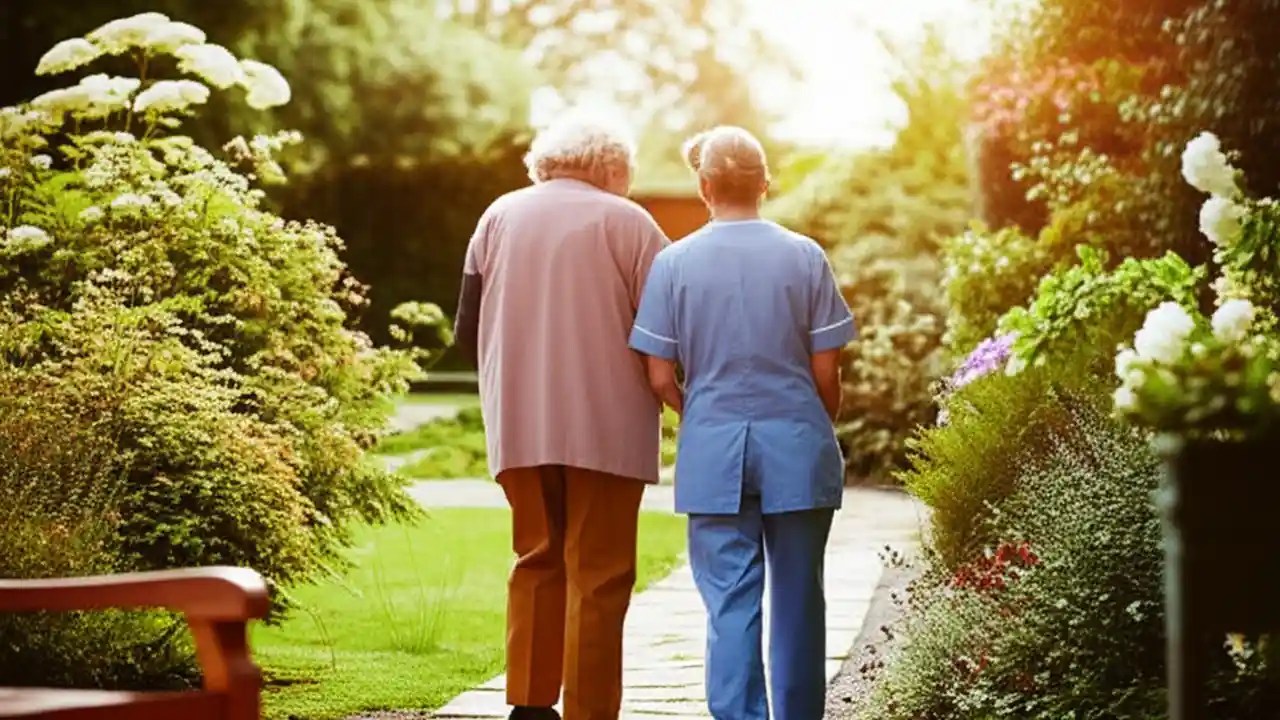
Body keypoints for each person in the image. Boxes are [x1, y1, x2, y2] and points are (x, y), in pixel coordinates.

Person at [628, 126, 854, 720]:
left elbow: (657, 377)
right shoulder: (805, 256)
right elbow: (826, 371)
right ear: (765, 185)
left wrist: (697, 412)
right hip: (798, 444)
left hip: (713, 447)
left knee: (730, 602)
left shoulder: (673, 263)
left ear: (704, 187)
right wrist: (813, 418)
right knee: (801, 597)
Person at [453, 112, 670, 720]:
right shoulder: (631, 223)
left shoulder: (497, 216)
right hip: (607, 426)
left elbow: (467, 329)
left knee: (535, 557)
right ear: (611, 167)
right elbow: (668, 329)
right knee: (599, 574)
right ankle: (590, 710)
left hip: (520, 423)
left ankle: (528, 701)